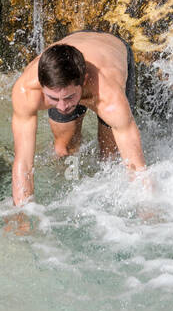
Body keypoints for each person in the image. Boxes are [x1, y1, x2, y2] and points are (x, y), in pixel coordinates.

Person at [10, 30, 145, 205]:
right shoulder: (26, 91)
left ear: (84, 81)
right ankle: (69, 183)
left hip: (113, 50)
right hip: (68, 53)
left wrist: (148, 216)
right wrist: (22, 215)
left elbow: (137, 167)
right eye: (53, 98)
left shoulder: (109, 98)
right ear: (42, 86)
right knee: (64, 148)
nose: (62, 106)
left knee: (109, 157)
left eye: (69, 98)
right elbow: (23, 162)